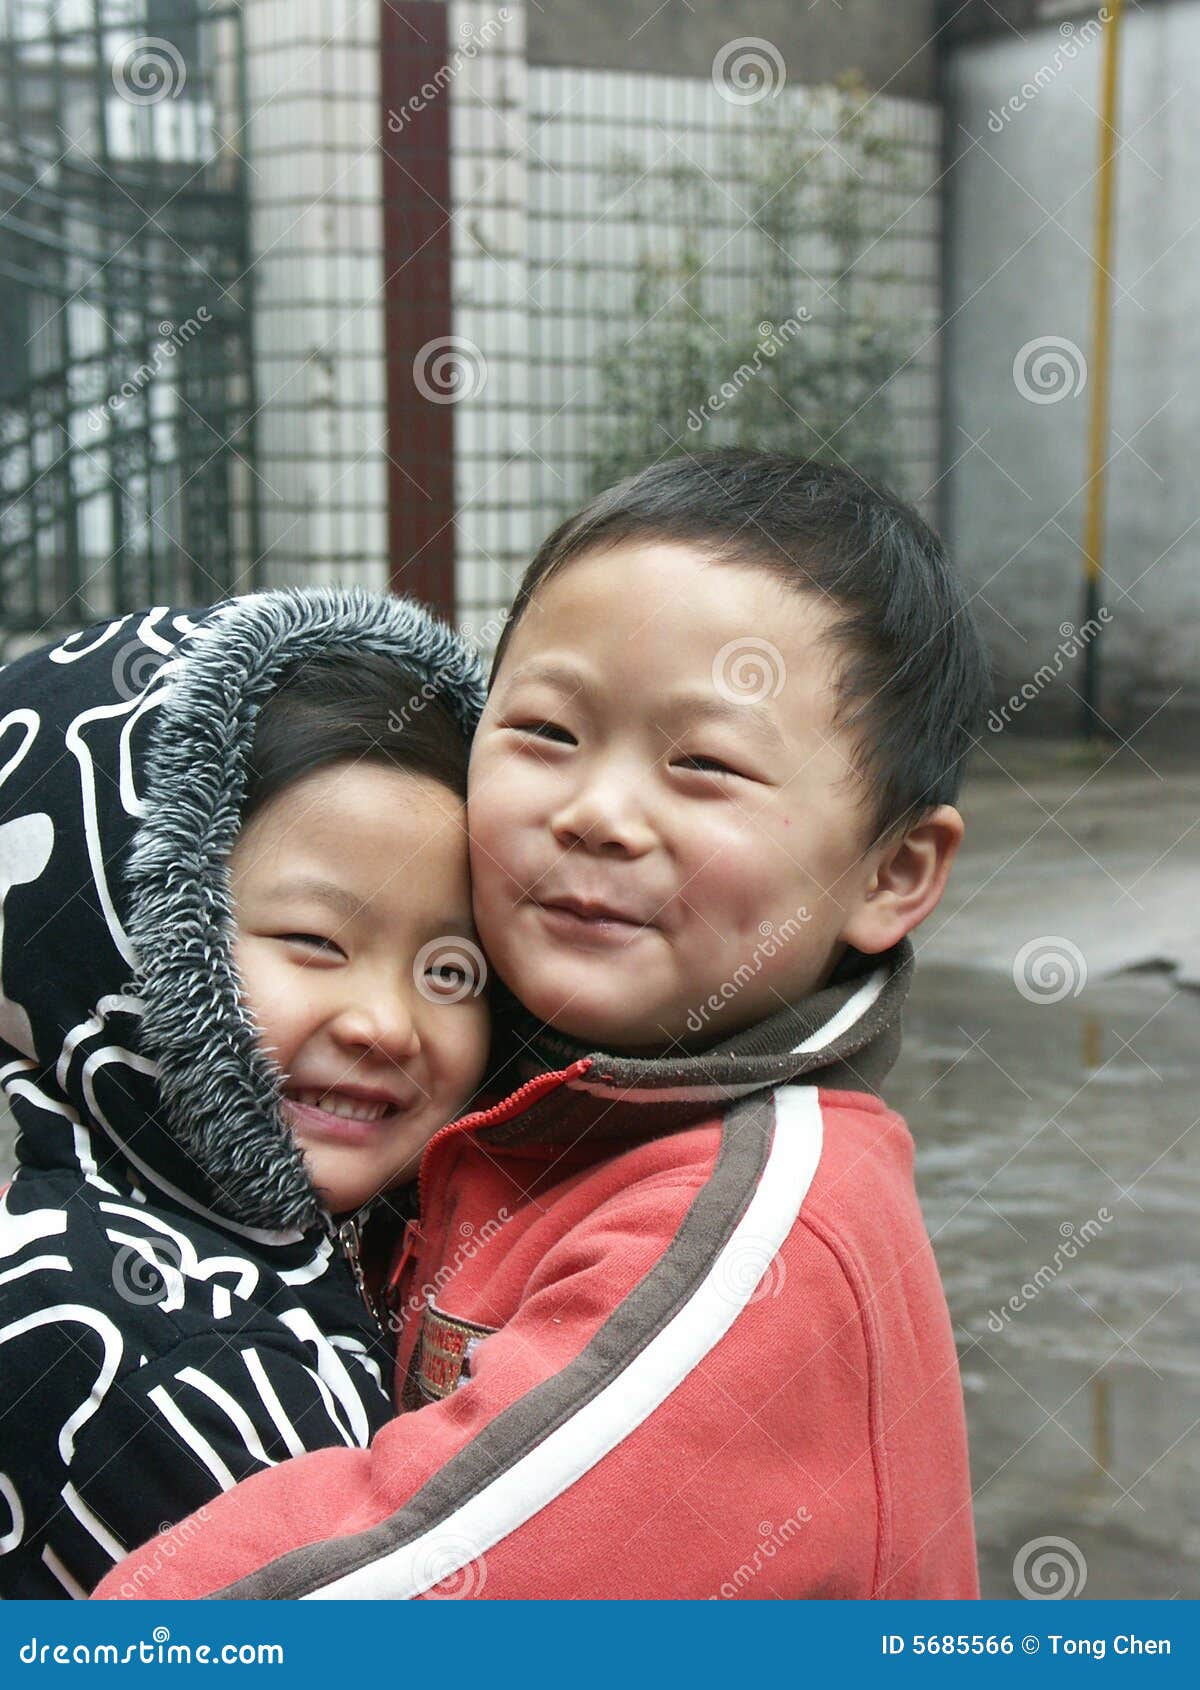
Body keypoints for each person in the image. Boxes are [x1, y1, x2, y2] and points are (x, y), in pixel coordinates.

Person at [96, 450, 990, 1601]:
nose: (599, 812)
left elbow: (408, 1582)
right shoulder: (518, 1090)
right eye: (550, 732)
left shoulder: (762, 1233)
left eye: (703, 763)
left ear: (895, 868)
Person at [0, 586, 491, 1597]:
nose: (385, 1022)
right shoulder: (177, 1366)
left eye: (454, 967)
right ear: (121, 931)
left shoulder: (299, 1252)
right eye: (316, 942)